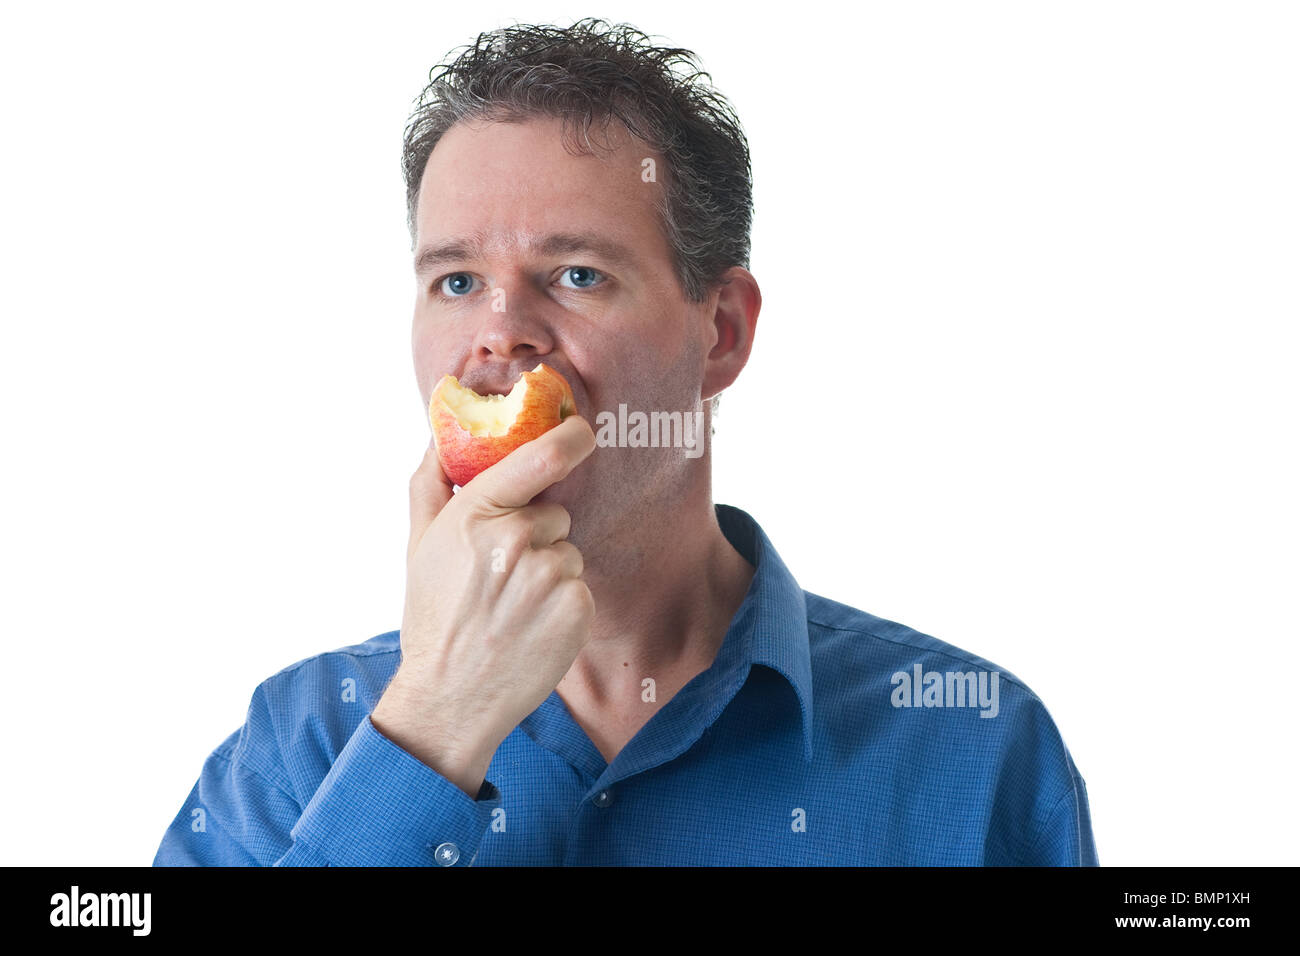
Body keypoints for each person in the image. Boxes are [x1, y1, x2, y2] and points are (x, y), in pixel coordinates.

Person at [154, 18, 1097, 867]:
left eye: (575, 274)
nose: (499, 332)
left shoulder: (971, 750)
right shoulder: (296, 750)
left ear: (720, 332)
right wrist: (434, 728)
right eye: (454, 282)